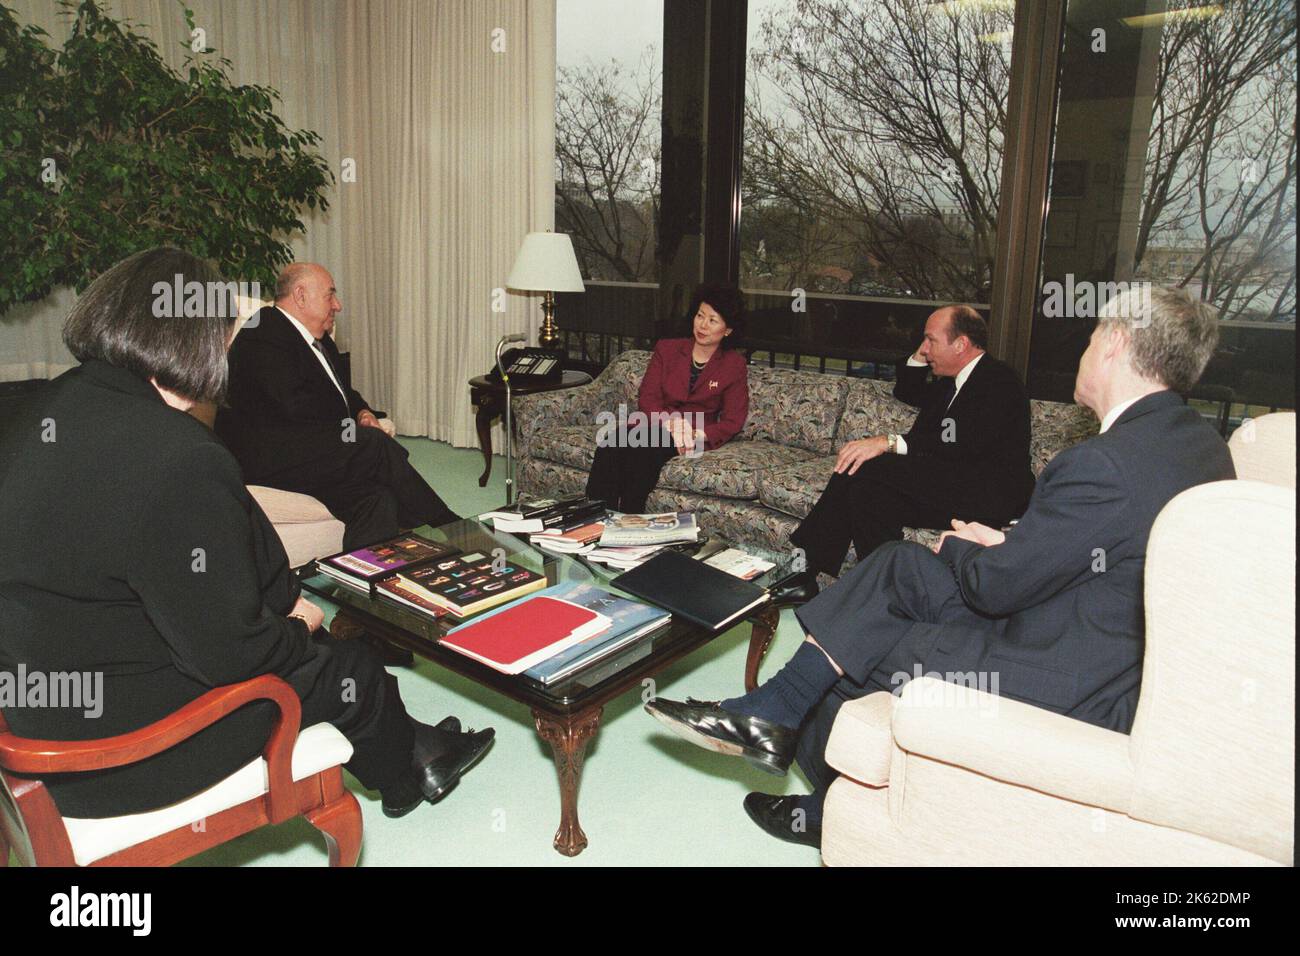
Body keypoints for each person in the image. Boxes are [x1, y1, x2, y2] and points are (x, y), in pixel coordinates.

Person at [646, 286, 1234, 848]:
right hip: (1077, 616)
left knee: (855, 647)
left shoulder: (1103, 461)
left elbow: (995, 586)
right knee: (898, 564)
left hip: (1064, 665)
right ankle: (771, 711)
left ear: (1114, 343)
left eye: (1090, 336)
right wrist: (1010, 540)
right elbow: (1098, 544)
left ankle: (830, 810)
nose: (1082, 350)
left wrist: (967, 546)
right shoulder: (1198, 442)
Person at [0, 248, 491, 821]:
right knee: (348, 666)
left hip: (41, 708)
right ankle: (408, 776)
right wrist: (296, 622)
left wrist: (282, 603)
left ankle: (418, 743)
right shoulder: (178, 458)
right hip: (121, 753)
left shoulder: (37, 410)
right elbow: (233, 657)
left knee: (316, 643)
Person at [780, 305, 1033, 600]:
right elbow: (908, 389)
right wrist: (926, 351)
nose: (925, 350)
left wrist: (886, 442)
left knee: (867, 466)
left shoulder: (1000, 381)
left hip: (988, 493)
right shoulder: (950, 382)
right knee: (868, 495)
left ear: (961, 344)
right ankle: (889, 593)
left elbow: (963, 442)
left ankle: (804, 570)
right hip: (949, 485)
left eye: (931, 341)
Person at [216, 263, 457, 550]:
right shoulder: (264, 334)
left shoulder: (317, 338)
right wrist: (352, 430)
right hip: (273, 459)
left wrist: (362, 412)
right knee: (373, 445)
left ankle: (363, 580)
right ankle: (451, 526)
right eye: (330, 295)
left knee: (377, 497)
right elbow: (295, 407)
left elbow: (343, 391)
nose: (338, 305)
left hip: (312, 453)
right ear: (301, 295)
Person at [584, 284, 749, 513]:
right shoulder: (668, 349)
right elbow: (648, 397)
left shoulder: (734, 365)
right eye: (700, 316)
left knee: (644, 450)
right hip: (657, 423)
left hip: (692, 434)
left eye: (713, 320)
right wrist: (671, 423)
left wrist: (694, 434)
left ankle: (630, 518)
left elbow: (733, 420)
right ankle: (594, 517)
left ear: (728, 330)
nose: (702, 325)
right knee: (612, 442)